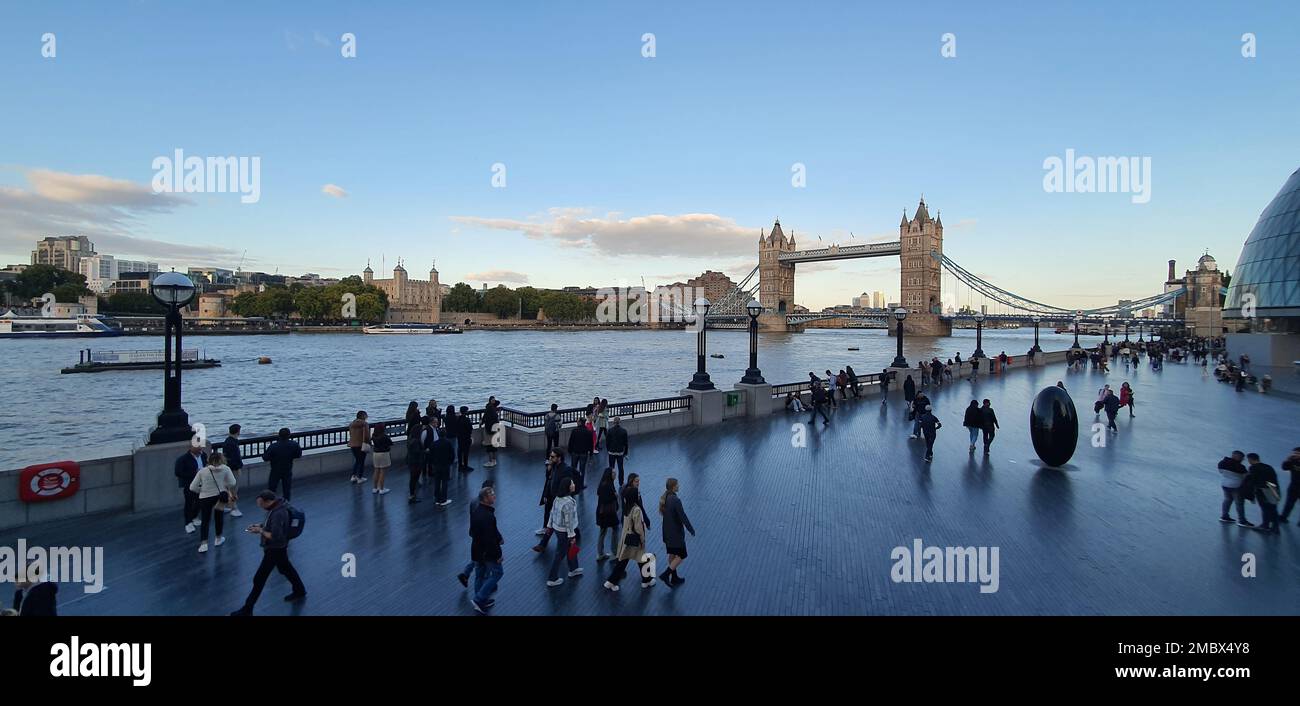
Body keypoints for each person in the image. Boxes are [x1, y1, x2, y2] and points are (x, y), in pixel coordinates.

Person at [231, 490, 307, 616]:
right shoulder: (277, 506)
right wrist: (260, 525)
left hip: (275, 549)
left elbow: (276, 536)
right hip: (280, 548)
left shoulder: (278, 513)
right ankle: (300, 590)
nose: (261, 507)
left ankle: (247, 609)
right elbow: (274, 526)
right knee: (285, 568)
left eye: (261, 504)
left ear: (267, 501)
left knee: (259, 578)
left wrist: (260, 531)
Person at [604, 476, 656, 591]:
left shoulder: (627, 507)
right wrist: (642, 539)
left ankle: (611, 581)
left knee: (625, 560)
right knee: (639, 558)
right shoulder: (636, 510)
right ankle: (646, 581)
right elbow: (638, 527)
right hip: (635, 539)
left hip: (626, 537)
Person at [190, 451, 237, 553]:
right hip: (220, 496)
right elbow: (233, 482)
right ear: (222, 460)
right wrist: (224, 485)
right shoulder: (225, 469)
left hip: (205, 497)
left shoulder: (202, 471)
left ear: (209, 460)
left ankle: (204, 544)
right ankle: (218, 538)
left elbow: (192, 487)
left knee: (205, 520)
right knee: (219, 517)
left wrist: (201, 490)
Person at [467, 484, 504, 614]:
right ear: (484, 498)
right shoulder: (487, 516)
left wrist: (498, 537)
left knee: (480, 574)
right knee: (498, 573)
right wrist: (498, 555)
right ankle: (479, 598)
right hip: (487, 552)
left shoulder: (478, 511)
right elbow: (489, 539)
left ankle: (480, 599)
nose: (494, 495)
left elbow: (481, 532)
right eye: (491, 494)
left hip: (477, 549)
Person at [658, 478, 696, 588]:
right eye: (677, 484)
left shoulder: (666, 498)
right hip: (676, 534)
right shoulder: (675, 500)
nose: (679, 486)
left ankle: (674, 578)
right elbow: (682, 516)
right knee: (682, 555)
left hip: (667, 532)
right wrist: (691, 529)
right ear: (673, 487)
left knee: (672, 554)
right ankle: (666, 574)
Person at [545, 479, 582, 587]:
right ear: (568, 487)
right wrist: (572, 536)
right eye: (572, 483)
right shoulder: (568, 503)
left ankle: (574, 568)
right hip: (565, 532)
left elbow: (552, 512)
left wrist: (549, 525)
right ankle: (552, 578)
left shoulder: (558, 498)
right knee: (560, 553)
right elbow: (569, 522)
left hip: (557, 528)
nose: (574, 485)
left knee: (571, 548)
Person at [534, 450, 572, 546]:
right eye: (550, 456)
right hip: (551, 495)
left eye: (552, 457)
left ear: (559, 458)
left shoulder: (566, 469)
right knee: (549, 515)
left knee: (558, 518)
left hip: (559, 497)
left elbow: (568, 483)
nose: (550, 458)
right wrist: (546, 494)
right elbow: (549, 480)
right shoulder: (554, 466)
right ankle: (543, 540)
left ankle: (574, 532)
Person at [174, 442, 207, 534]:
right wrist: (194, 473)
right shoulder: (183, 459)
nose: (200, 448)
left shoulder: (204, 455)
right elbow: (178, 472)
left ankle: (194, 517)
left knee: (200, 501)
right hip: (190, 484)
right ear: (191, 447)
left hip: (202, 483)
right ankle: (188, 523)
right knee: (189, 503)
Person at [261, 428, 302, 501]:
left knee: (272, 488)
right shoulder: (294, 444)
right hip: (287, 468)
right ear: (289, 435)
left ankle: (270, 503)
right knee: (287, 489)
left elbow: (265, 458)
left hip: (275, 469)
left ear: (279, 435)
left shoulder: (273, 446)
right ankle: (286, 504)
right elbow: (298, 455)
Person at [1246, 453, 1280, 533]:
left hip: (1262, 490)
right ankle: (1275, 527)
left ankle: (1265, 526)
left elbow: (1253, 480)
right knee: (1273, 509)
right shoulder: (1268, 467)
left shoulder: (1253, 468)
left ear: (1250, 459)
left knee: (1265, 508)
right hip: (1273, 489)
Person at [1217, 450, 1250, 526]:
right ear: (1237, 457)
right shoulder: (1240, 467)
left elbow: (1221, 471)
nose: (1242, 460)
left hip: (1225, 484)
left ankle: (1224, 516)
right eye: (1241, 458)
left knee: (1227, 500)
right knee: (1239, 503)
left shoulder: (1222, 463)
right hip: (1236, 486)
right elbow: (1246, 476)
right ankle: (1242, 521)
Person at [220, 424, 245, 517]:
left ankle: (226, 506)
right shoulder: (233, 443)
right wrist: (238, 467)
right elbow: (235, 458)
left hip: (228, 468)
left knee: (227, 488)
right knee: (234, 489)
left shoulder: (227, 441)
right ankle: (233, 508)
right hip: (233, 469)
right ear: (238, 432)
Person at [596, 468, 620, 560]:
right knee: (615, 528)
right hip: (609, 513)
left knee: (603, 531)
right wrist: (615, 496)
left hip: (602, 512)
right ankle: (614, 552)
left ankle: (600, 553)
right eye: (613, 473)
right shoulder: (608, 485)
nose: (615, 474)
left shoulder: (603, 483)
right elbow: (607, 499)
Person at [429, 423, 456, 506]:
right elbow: (452, 454)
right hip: (445, 465)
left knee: (437, 481)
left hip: (436, 465)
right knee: (444, 481)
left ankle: (437, 498)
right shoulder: (448, 443)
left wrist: (432, 463)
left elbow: (431, 454)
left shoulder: (434, 444)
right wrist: (450, 462)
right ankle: (443, 499)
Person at [567, 416, 593, 488]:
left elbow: (571, 442)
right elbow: (591, 444)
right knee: (582, 469)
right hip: (584, 453)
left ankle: (572, 483)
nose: (577, 422)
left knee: (573, 468)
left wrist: (569, 450)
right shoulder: (588, 432)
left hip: (575, 452)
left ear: (580, 422)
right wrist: (591, 453)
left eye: (577, 421)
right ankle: (581, 484)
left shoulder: (574, 431)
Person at [407, 417, 428, 503]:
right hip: (416, 462)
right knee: (414, 478)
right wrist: (424, 451)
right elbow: (417, 452)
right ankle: (412, 496)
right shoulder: (416, 441)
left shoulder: (410, 440)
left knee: (413, 478)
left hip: (411, 461)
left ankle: (412, 495)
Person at [347, 411, 371, 484]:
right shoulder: (365, 424)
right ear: (363, 416)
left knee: (357, 460)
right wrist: (369, 442)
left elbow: (351, 434)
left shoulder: (351, 424)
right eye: (366, 415)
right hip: (361, 445)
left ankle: (353, 476)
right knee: (361, 461)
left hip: (352, 444)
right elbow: (367, 435)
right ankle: (360, 477)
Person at [606, 416, 629, 486]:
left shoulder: (610, 431)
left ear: (613, 422)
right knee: (620, 468)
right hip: (620, 452)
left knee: (611, 468)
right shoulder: (624, 431)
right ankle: (621, 482)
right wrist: (625, 453)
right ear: (619, 422)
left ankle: (610, 482)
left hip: (611, 452)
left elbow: (607, 442)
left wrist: (608, 450)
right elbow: (626, 443)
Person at [370, 424, 393, 495]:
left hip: (375, 453)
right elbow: (390, 443)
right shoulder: (385, 436)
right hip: (384, 454)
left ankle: (375, 488)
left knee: (376, 470)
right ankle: (381, 488)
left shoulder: (373, 436)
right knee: (382, 471)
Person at [1278, 448, 1300, 523]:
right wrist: (1287, 460)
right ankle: (1283, 517)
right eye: (1294, 453)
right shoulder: (1292, 461)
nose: (1295, 455)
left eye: (1297, 453)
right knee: (1289, 503)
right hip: (1293, 486)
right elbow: (1284, 468)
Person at [456, 405, 474, 472]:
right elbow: (470, 429)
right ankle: (465, 466)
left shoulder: (458, 419)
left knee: (460, 451)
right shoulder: (466, 420)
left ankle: (460, 465)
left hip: (460, 437)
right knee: (466, 452)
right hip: (466, 438)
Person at [482, 403, 500, 468]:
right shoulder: (495, 415)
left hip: (488, 434)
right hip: (494, 433)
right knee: (494, 447)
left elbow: (483, 422)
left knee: (489, 448)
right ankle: (494, 460)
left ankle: (490, 461)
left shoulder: (487, 416)